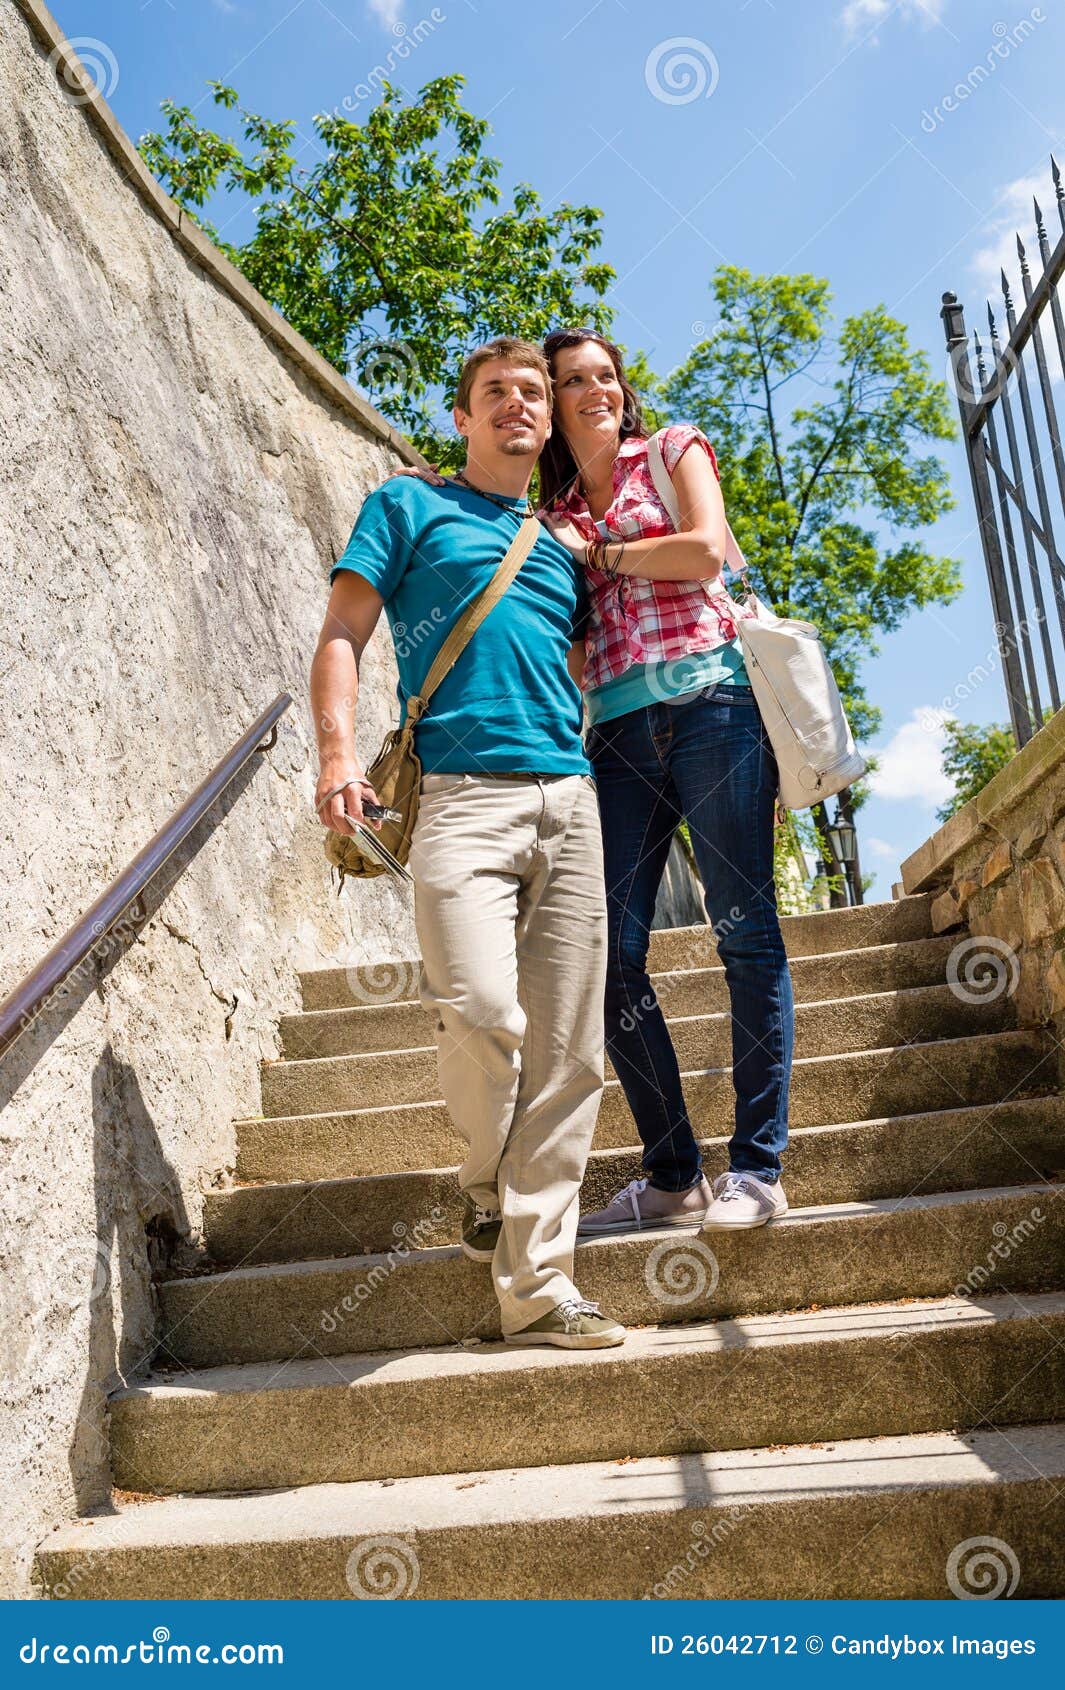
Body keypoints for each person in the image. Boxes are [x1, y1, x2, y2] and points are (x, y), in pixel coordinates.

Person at [310, 337, 625, 1349]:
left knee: (571, 1054)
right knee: (483, 1011)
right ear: (462, 416)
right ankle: (487, 1180)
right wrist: (335, 757)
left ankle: (536, 1288)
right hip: (458, 798)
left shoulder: (564, 542)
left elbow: (586, 660)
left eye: (533, 392)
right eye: (495, 392)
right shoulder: (408, 505)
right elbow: (342, 633)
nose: (518, 404)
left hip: (569, 797)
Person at [536, 328, 793, 1235]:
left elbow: (703, 551)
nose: (595, 390)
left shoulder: (671, 448)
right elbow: (569, 643)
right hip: (615, 737)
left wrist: (598, 554)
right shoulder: (554, 513)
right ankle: (675, 1174)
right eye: (573, 379)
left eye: (606, 375)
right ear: (553, 401)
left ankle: (756, 1170)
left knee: (745, 934)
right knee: (607, 954)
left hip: (715, 706)